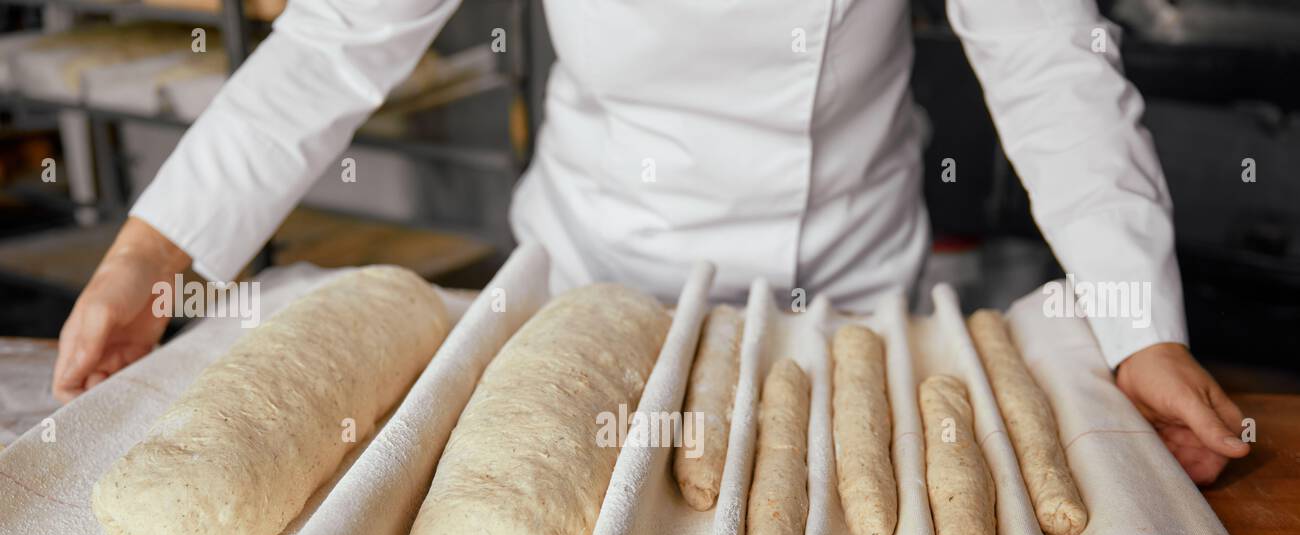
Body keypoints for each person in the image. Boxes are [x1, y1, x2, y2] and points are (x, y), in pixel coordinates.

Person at [52, 0, 1250, 484]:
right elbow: (336, 40)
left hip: (838, 302)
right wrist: (157, 250)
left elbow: (1043, 55)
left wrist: (1137, 321)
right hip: (587, 285)